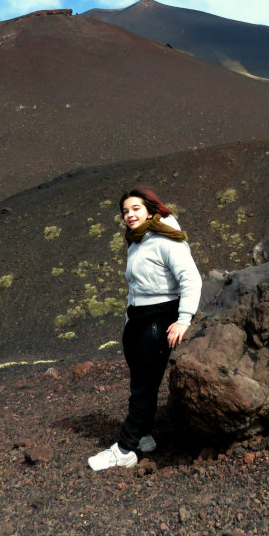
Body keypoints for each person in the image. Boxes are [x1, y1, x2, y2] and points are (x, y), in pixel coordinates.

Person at [88, 187, 202, 471]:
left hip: (159, 318)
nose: (129, 215)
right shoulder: (137, 242)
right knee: (141, 383)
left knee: (144, 386)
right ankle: (145, 434)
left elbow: (191, 278)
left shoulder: (166, 239)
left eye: (135, 208)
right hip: (137, 320)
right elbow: (135, 287)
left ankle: (125, 448)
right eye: (125, 211)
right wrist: (129, 320)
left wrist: (184, 318)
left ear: (150, 210)